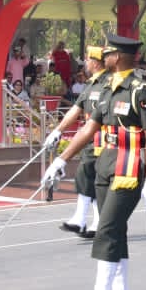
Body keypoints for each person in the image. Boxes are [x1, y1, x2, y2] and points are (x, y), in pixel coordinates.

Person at [47, 33, 146, 290]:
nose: (102, 57)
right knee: (116, 234)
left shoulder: (141, 91)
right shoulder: (108, 89)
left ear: (118, 56)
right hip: (106, 166)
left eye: (107, 53)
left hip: (129, 169)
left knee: (106, 229)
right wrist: (62, 159)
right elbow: (89, 130)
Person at [48, 46, 107, 237]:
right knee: (85, 176)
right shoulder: (91, 85)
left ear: (96, 62)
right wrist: (57, 131)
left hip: (104, 140)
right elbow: (76, 109)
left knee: (95, 180)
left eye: (88, 60)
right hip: (90, 139)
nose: (86, 63)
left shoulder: (108, 84)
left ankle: (93, 221)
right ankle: (82, 219)